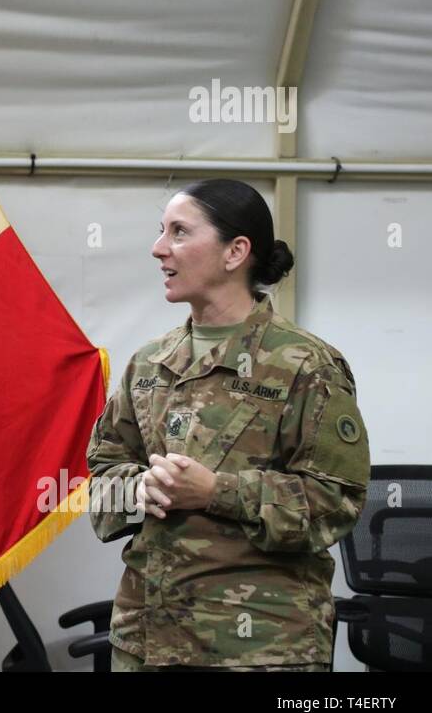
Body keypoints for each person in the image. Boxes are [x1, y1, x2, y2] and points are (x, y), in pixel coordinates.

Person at [87, 179, 370, 671]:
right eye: (161, 232)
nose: (158, 249)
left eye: (179, 232)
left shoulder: (305, 364)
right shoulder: (149, 363)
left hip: (260, 647)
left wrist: (216, 491)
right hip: (146, 639)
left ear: (236, 251)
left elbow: (336, 500)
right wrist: (139, 489)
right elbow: (101, 476)